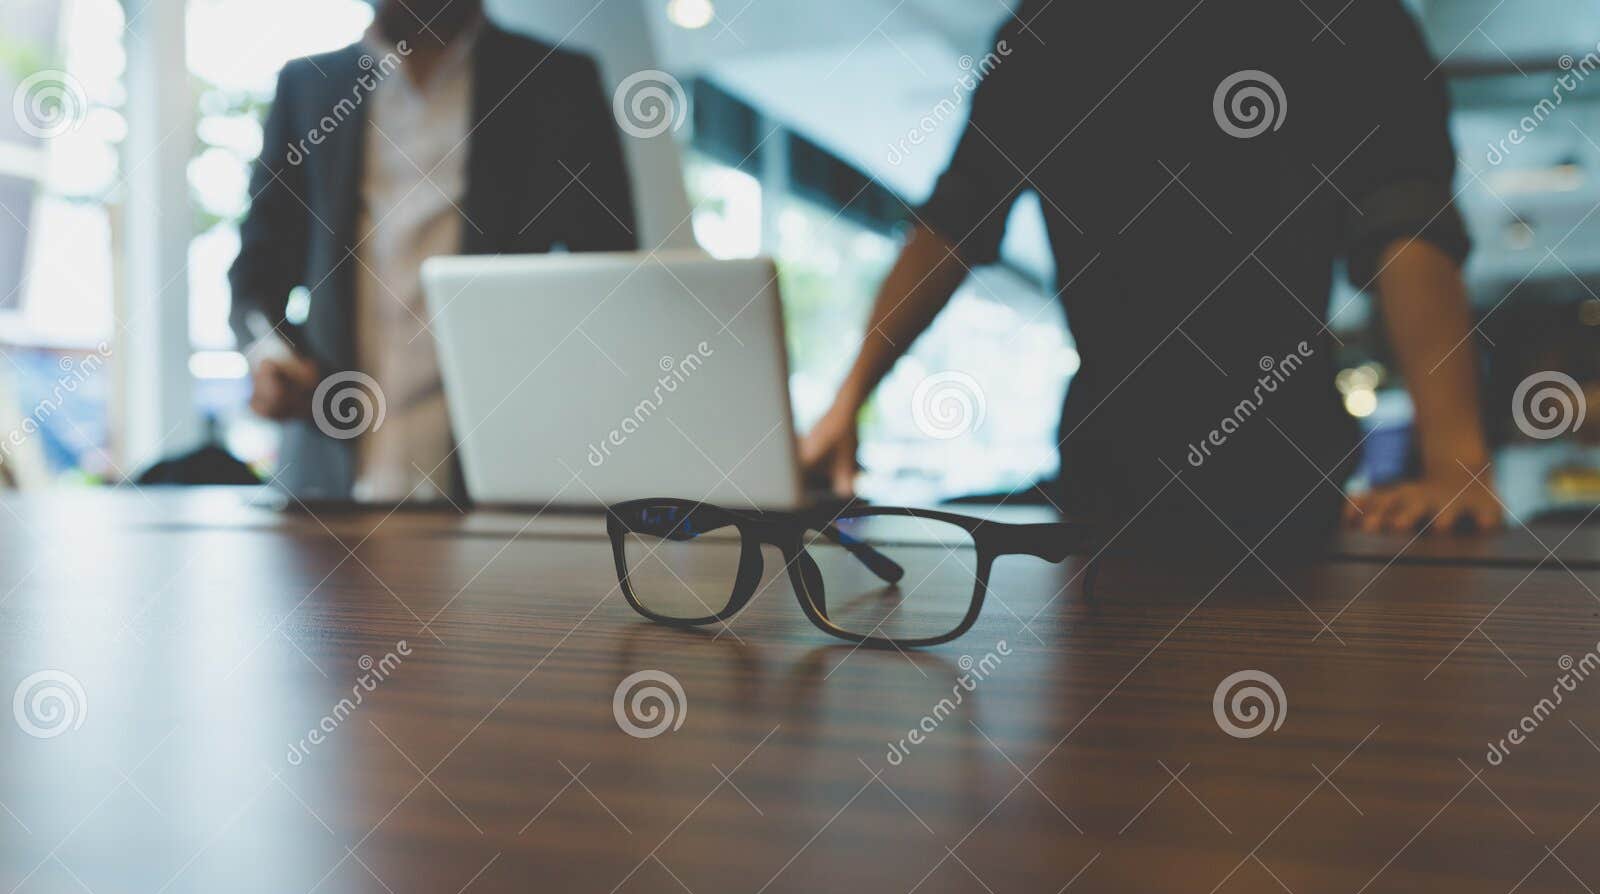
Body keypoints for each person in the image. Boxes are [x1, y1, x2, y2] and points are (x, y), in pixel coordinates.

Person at [800, 0, 1501, 550]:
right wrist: (847, 400)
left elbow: (1409, 227)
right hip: (1111, 471)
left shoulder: (1350, 18)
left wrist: (1456, 456)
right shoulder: (1052, 26)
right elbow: (953, 226)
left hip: (1278, 480)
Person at [229, 0, 636, 502]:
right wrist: (271, 354)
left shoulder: (558, 83)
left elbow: (609, 278)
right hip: (327, 479)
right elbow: (258, 269)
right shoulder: (306, 85)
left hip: (499, 474)